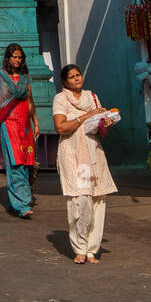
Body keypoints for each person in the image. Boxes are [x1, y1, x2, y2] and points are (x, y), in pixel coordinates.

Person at [52, 62, 118, 263]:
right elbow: (61, 128)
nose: (77, 79)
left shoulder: (93, 97)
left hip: (93, 153)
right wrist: (86, 116)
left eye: (78, 75)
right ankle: (79, 247)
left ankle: (91, 250)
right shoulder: (60, 99)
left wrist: (105, 122)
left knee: (97, 200)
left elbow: (99, 130)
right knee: (80, 201)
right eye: (72, 77)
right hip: (72, 154)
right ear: (65, 81)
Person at [0, 44, 40, 219]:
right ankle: (22, 204)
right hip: (8, 123)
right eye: (14, 57)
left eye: (20, 58)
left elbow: (30, 101)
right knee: (15, 162)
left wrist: (36, 122)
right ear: (8, 58)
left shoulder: (25, 78)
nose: (17, 61)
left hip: (25, 124)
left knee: (27, 162)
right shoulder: (0, 77)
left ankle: (17, 202)